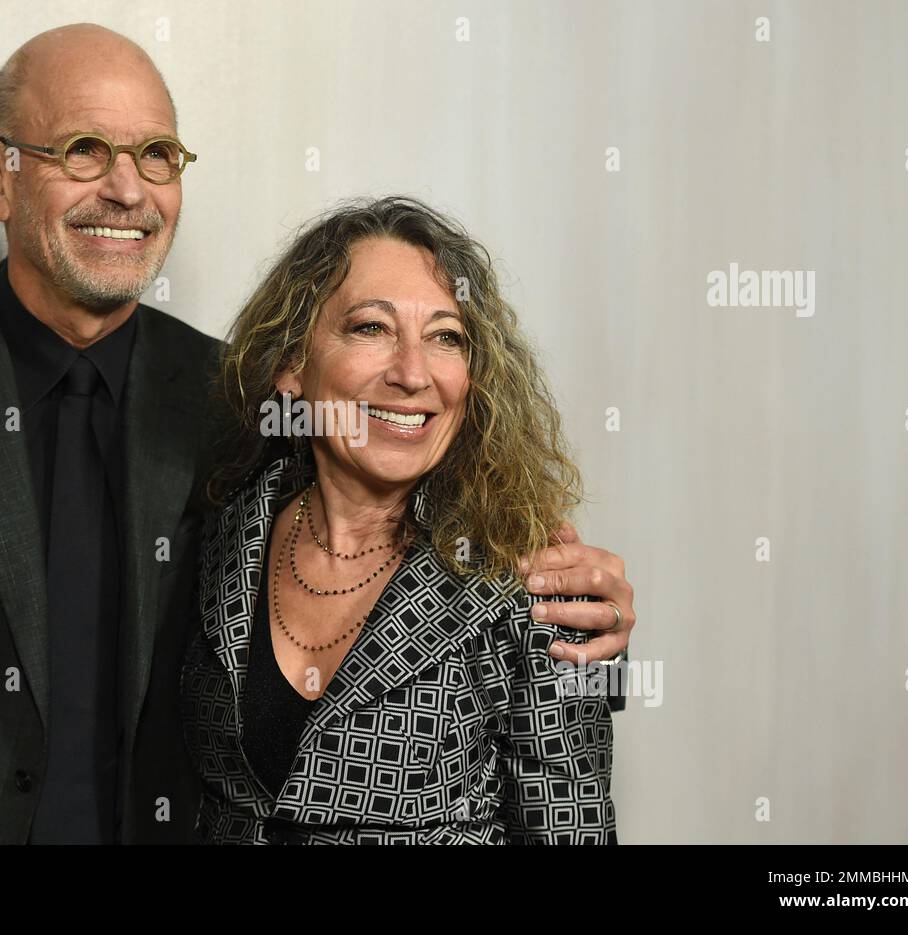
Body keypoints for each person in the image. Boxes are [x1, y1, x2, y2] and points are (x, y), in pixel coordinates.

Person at [0, 24, 636, 845]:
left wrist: (594, 612)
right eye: (84, 149)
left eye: (157, 154)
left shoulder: (234, 403)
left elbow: (405, 502)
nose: (127, 188)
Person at [182, 196, 620, 843]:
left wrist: (609, 666)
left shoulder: (546, 589)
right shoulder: (224, 529)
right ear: (292, 367)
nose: (414, 373)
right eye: (371, 328)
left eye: (446, 336)